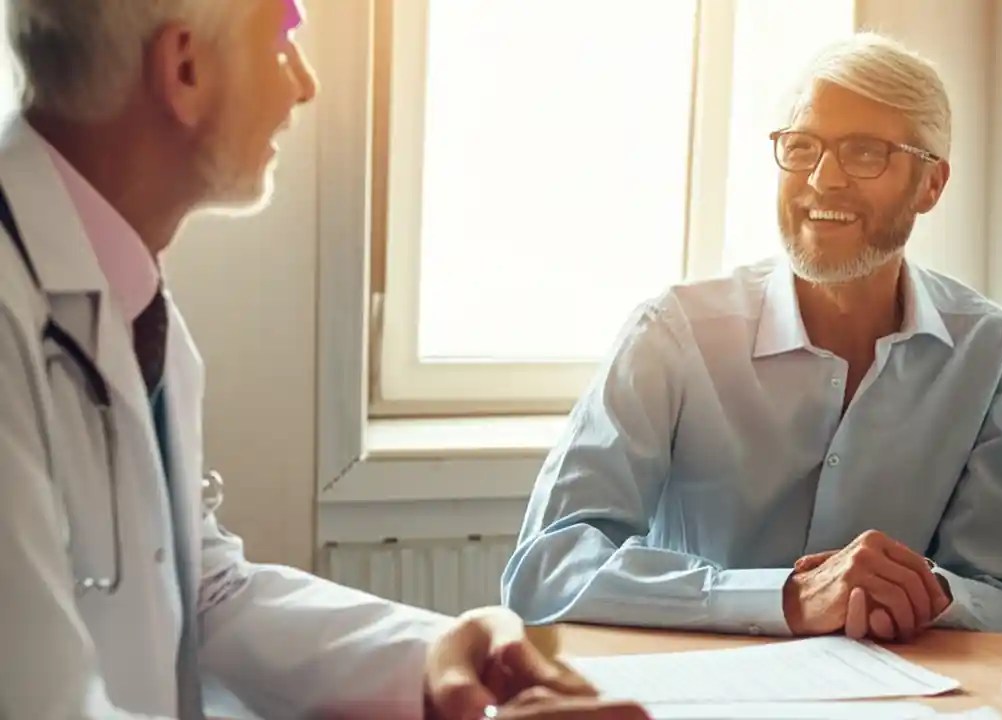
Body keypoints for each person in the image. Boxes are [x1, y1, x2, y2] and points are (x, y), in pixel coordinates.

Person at [0, 1, 643, 718]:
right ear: (184, 69)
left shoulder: (123, 294)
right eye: (281, 39)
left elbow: (199, 587)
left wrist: (435, 659)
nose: (303, 85)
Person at [502, 33, 1002, 643]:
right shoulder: (674, 333)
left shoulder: (991, 352)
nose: (823, 179)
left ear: (931, 185)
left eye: (864, 152)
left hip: (896, 686)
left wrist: (928, 593)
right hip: (695, 682)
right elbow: (546, 569)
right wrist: (783, 598)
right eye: (803, 146)